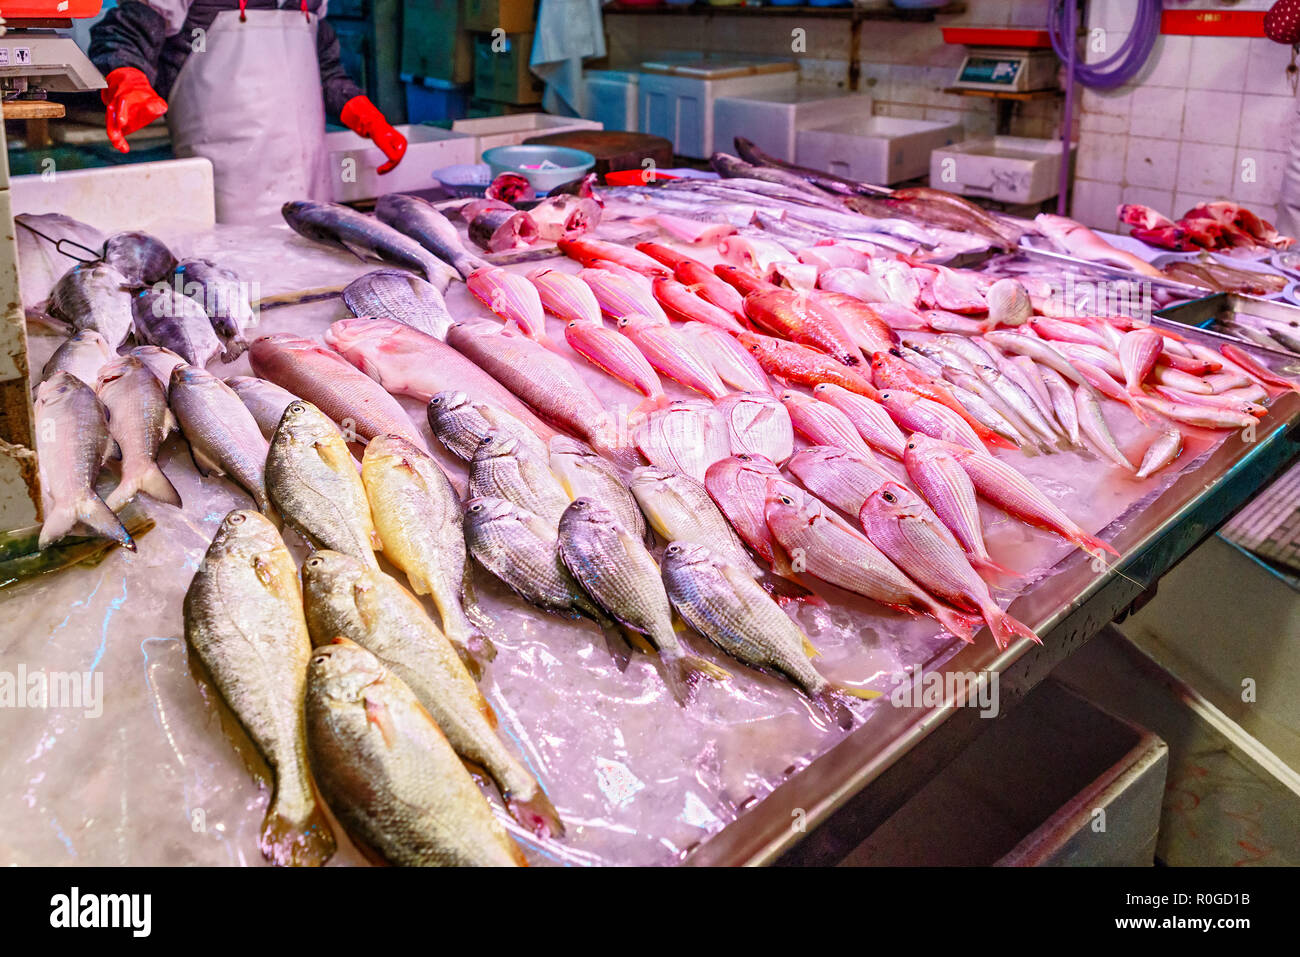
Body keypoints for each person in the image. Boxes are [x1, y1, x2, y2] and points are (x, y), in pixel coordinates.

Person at [88, 0, 406, 223]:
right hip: (230, 195)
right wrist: (126, 76)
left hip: (312, 187)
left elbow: (326, 69)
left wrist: (362, 112)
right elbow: (125, 30)